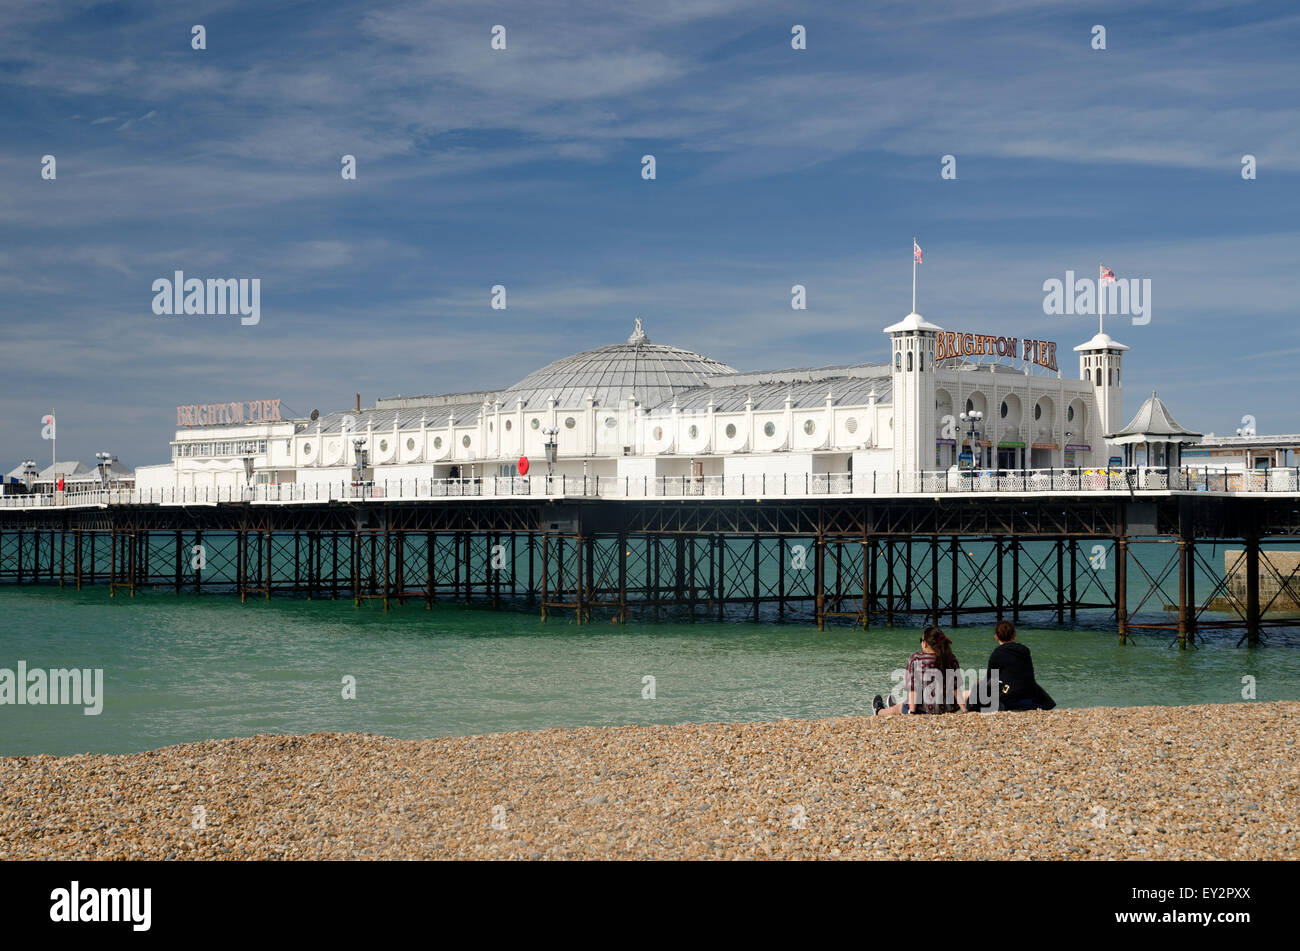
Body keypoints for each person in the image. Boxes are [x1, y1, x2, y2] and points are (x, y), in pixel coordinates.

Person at [965, 620, 1055, 712]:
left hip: (1010, 699)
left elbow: (990, 679)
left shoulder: (997, 654)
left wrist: (977, 685)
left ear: (996, 637)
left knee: (977, 688)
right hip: (1029, 695)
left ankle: (967, 708)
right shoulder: (1025, 651)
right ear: (1014, 635)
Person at [873, 626, 965, 716]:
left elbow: (913, 688)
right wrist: (964, 710)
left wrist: (912, 712)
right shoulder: (951, 659)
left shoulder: (916, 659)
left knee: (901, 707)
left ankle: (879, 711)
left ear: (924, 643)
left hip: (922, 710)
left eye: (921, 640)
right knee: (905, 703)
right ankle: (896, 706)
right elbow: (955, 688)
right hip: (947, 710)